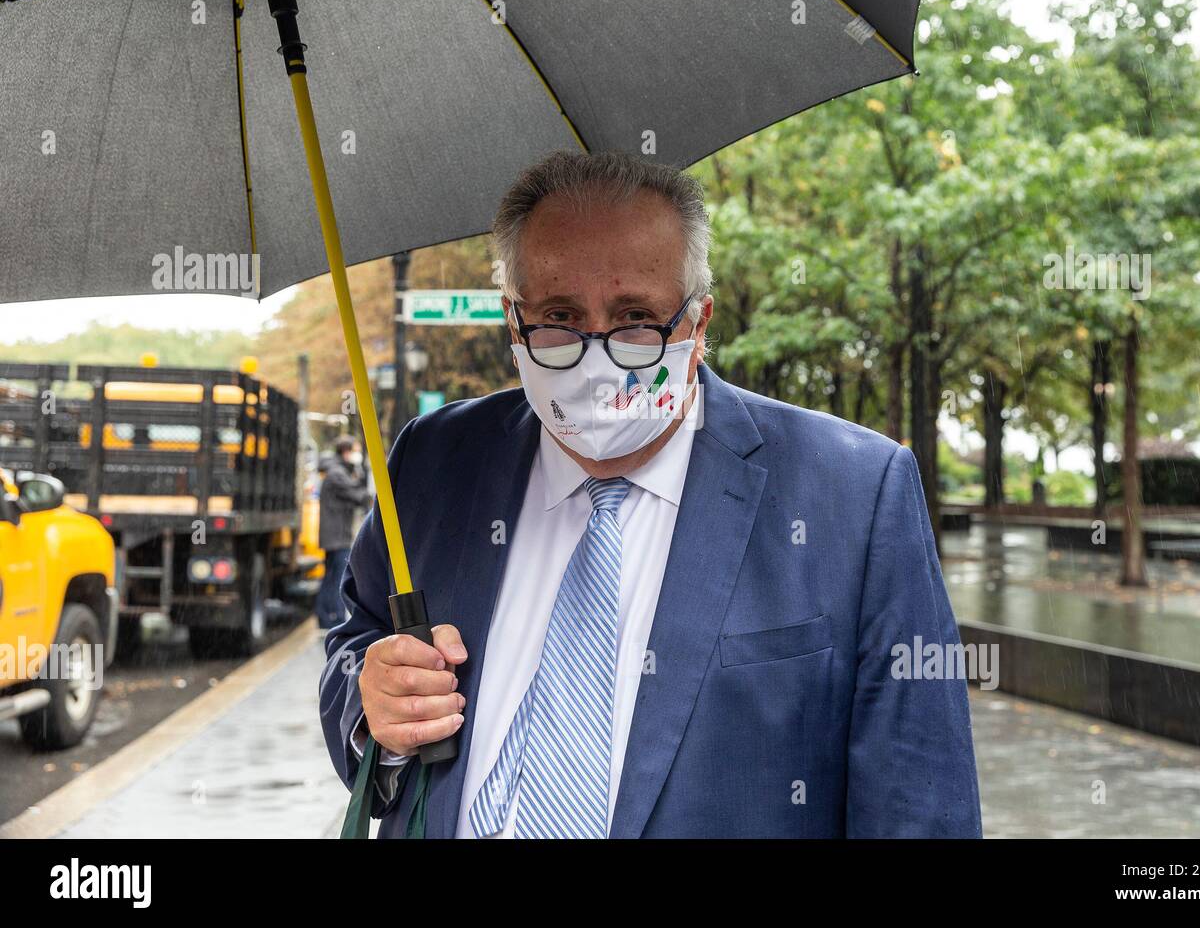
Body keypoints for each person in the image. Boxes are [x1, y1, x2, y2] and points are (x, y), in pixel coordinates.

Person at [319, 151, 981, 838]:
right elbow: (355, 641)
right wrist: (374, 710)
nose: (597, 354)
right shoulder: (434, 464)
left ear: (697, 324)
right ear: (514, 324)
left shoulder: (853, 493)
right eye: (559, 316)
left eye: (636, 317)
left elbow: (919, 807)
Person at [313, 437, 370, 630]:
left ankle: (324, 616)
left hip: (335, 535)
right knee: (337, 579)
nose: (356, 455)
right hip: (337, 536)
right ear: (345, 451)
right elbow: (358, 495)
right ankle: (334, 619)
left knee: (330, 577)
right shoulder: (337, 473)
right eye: (354, 450)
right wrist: (364, 473)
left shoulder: (335, 471)